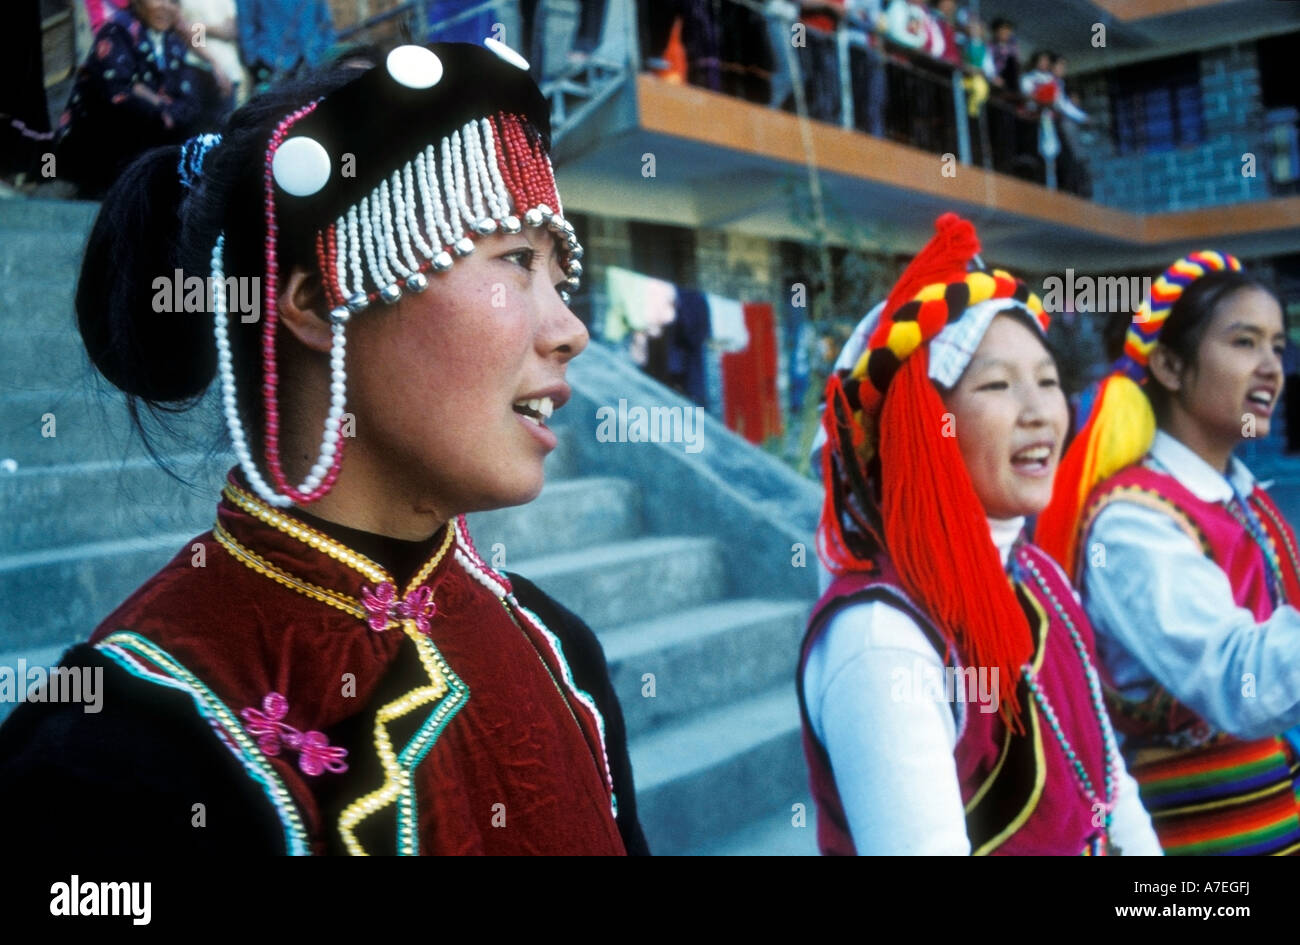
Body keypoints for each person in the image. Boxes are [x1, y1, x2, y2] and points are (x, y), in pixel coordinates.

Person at [0, 40, 646, 856]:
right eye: (515, 259)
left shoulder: (560, 652)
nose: (572, 329)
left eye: (560, 275)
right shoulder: (109, 753)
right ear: (314, 299)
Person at [798, 213, 1161, 855]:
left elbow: (1112, 789)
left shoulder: (1041, 578)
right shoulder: (884, 640)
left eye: (1048, 381)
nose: (1040, 411)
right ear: (921, 424)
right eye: (997, 385)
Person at [1037, 252, 1300, 855]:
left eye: (1277, 347)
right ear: (1170, 366)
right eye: (1244, 343)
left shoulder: (1238, 496)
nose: (1271, 368)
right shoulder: (1133, 525)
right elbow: (1240, 679)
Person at [56, 0, 221, 197]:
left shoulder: (172, 39)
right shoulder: (117, 30)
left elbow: (188, 96)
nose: (165, 6)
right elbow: (118, 92)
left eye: (173, 2)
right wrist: (162, 107)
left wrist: (150, 96)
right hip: (106, 142)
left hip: (151, 137)